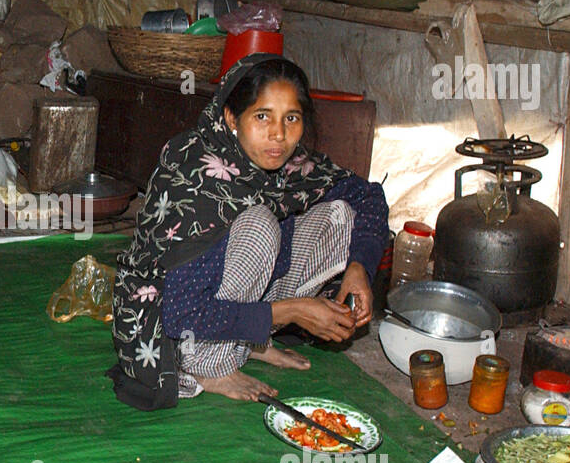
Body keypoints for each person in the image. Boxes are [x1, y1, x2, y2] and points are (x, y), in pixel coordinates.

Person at [108, 53, 390, 410]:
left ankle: (250, 342)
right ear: (231, 118)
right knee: (259, 225)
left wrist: (359, 267)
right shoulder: (197, 175)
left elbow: (366, 196)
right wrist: (290, 312)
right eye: (262, 116)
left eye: (291, 118)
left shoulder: (290, 165)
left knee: (337, 214)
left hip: (227, 299)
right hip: (169, 324)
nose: (279, 134)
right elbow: (180, 311)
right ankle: (210, 365)